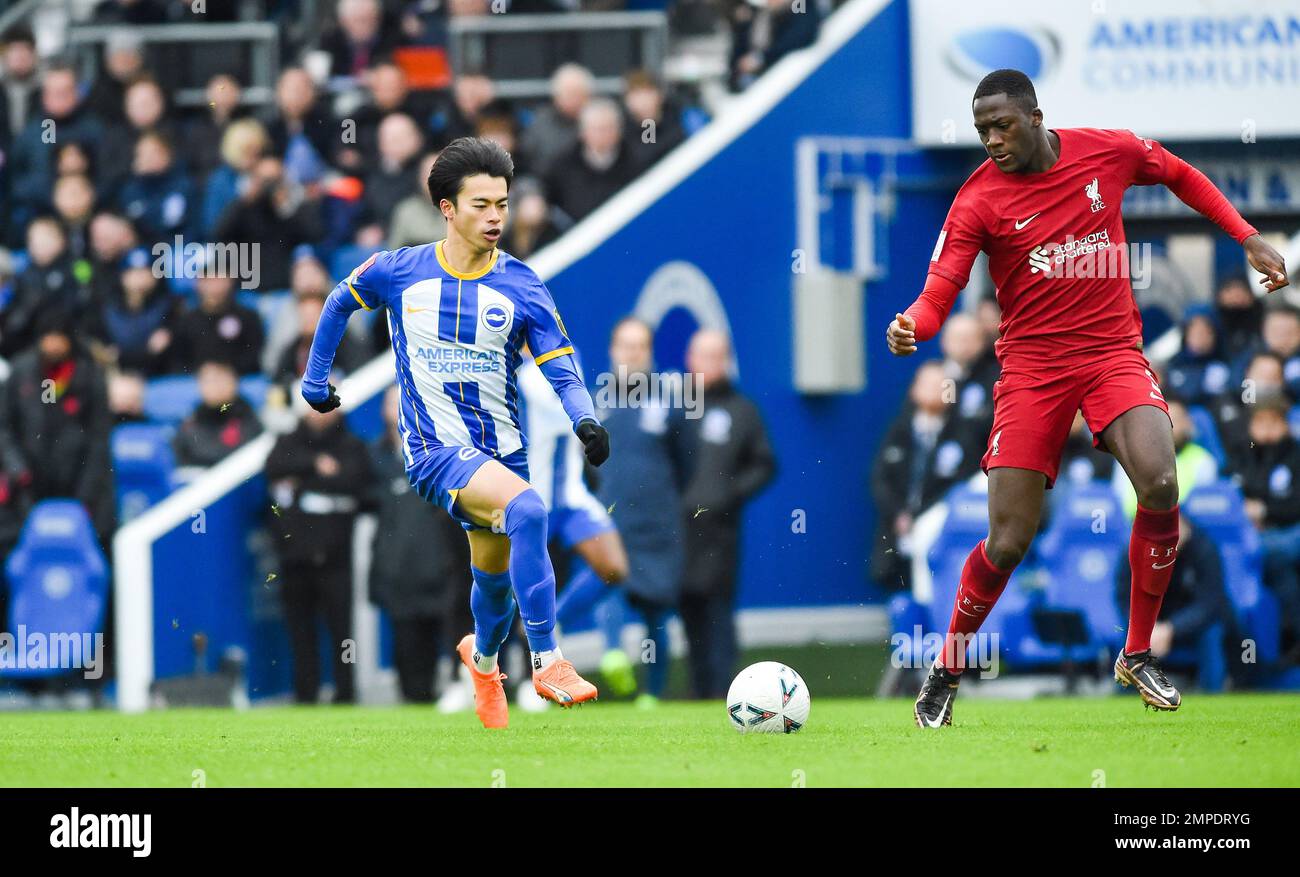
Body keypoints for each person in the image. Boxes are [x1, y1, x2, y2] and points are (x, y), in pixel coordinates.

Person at [887, 68, 1289, 726]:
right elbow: (940, 290)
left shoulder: (1107, 151)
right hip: (1032, 371)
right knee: (1009, 540)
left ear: (1036, 117)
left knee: (1160, 482)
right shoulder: (977, 200)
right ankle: (949, 664)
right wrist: (912, 325)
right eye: (982, 128)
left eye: (1002, 125)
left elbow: (1182, 174)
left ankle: (1136, 652)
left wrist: (1244, 234)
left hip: (1112, 356)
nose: (991, 138)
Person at [299, 137, 611, 729]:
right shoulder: (401, 271)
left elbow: (559, 364)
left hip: (502, 453)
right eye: (481, 205)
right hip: (433, 451)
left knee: (491, 585)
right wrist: (316, 381)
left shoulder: (522, 284)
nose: (496, 216)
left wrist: (585, 418)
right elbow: (338, 301)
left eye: (503, 203)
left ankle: (485, 660)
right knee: (529, 510)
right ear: (448, 209)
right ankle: (548, 659)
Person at [520, 347, 633, 698]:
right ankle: (510, 679)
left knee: (613, 567)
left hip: (570, 496)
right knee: (509, 592)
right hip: (528, 495)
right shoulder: (518, 372)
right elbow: (562, 411)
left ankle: (557, 623)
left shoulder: (566, 360)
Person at [592, 317, 692, 706]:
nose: (631, 354)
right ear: (613, 351)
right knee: (607, 586)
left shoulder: (670, 400)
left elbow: (687, 461)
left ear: (649, 352)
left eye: (639, 346)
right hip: (611, 519)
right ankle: (613, 652)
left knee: (656, 608)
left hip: (657, 521)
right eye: (624, 345)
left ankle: (652, 691)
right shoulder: (595, 401)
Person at [678, 328, 775, 699]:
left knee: (717, 609)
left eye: (715, 356)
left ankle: (724, 691)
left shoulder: (742, 410)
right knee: (687, 608)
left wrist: (728, 495)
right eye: (701, 355)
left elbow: (765, 464)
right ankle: (696, 689)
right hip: (679, 529)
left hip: (719, 531)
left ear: (726, 360)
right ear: (689, 359)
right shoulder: (678, 407)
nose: (707, 363)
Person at [266, 400, 374, 704]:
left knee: (342, 629)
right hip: (295, 553)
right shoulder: (288, 441)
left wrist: (303, 481)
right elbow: (274, 467)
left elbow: (355, 480)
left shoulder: (352, 444)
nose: (317, 413)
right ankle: (306, 692)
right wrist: (315, 465)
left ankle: (345, 691)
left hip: (336, 553)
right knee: (299, 627)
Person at [369, 385, 466, 703]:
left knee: (458, 643)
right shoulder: (376, 458)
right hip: (399, 573)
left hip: (443, 571)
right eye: (392, 404)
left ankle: (463, 691)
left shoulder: (444, 455)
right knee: (409, 662)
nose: (398, 411)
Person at [871, 360, 984, 591]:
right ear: (914, 389)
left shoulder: (963, 437)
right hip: (896, 533)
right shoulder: (899, 431)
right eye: (927, 384)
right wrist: (899, 515)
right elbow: (879, 478)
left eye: (941, 385)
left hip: (938, 535)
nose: (933, 390)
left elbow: (959, 486)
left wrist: (921, 518)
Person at [1113, 517, 1235, 691]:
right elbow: (1124, 598)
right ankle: (1123, 698)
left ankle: (1214, 693)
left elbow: (1209, 604)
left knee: (1212, 632)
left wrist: (1172, 629)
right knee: (1128, 637)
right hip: (1152, 625)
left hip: (1193, 625)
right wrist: (1146, 630)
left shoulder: (1204, 549)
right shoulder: (1134, 550)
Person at [1228, 391, 1300, 659]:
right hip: (1249, 534)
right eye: (1261, 422)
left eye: (1273, 422)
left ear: (1285, 423)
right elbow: (1231, 493)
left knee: (1271, 553)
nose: (1267, 430)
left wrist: (1265, 509)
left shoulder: (1295, 454)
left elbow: (1295, 504)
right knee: (1277, 569)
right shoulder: (1244, 453)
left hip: (1289, 530)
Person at [173, 360, 264, 469]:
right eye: (207, 381)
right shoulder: (191, 421)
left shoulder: (247, 415)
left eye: (219, 379)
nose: (213, 386)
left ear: (233, 382)